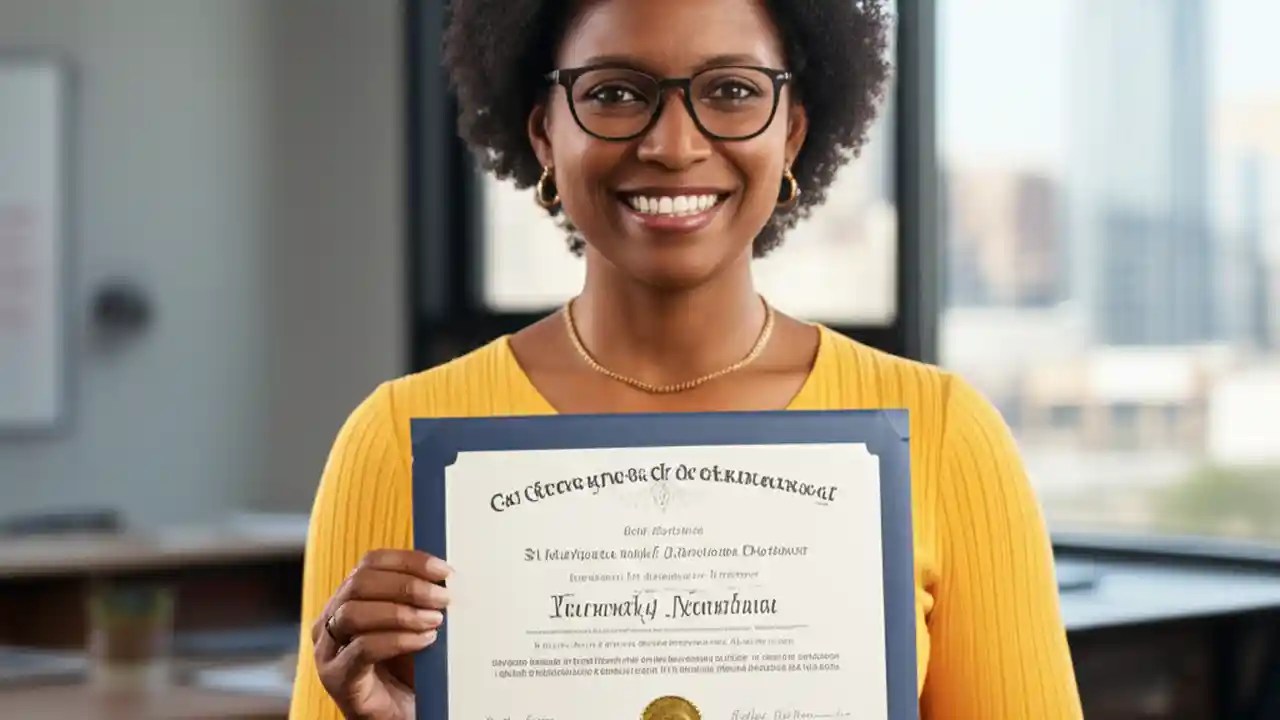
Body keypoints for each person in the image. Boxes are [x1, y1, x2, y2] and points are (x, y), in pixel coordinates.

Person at [289, 0, 1083, 718]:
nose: (673, 145)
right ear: (543, 134)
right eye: (614, 92)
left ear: (792, 131)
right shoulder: (396, 439)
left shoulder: (943, 434)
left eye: (732, 91)